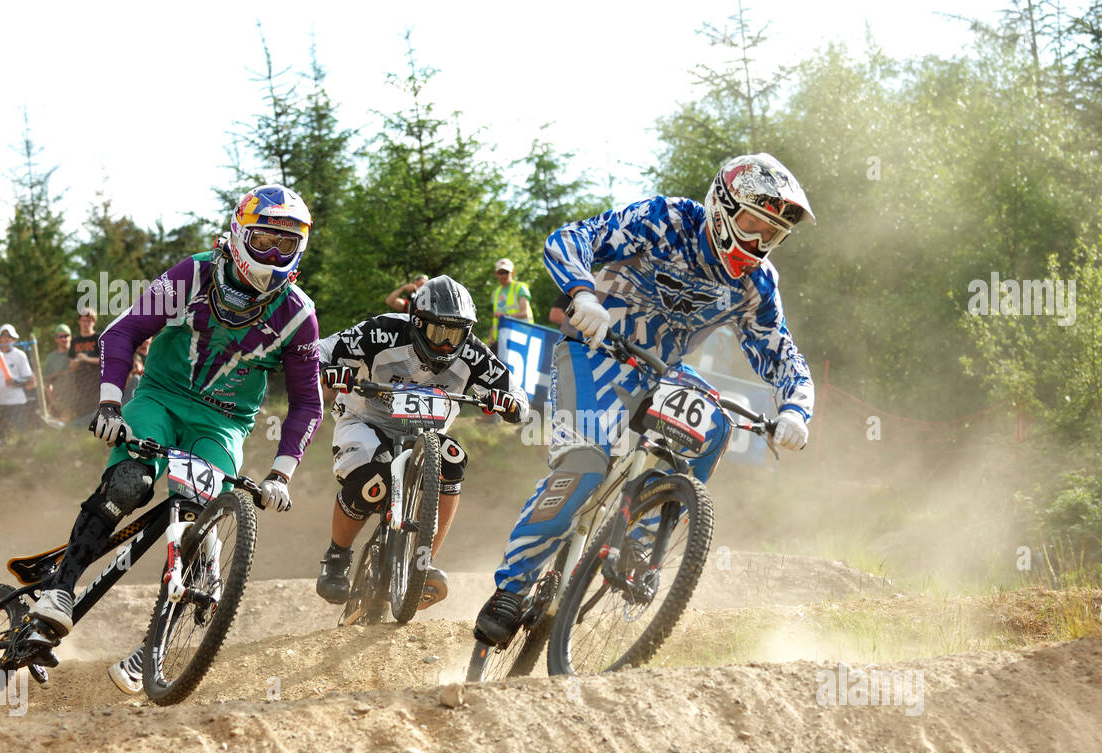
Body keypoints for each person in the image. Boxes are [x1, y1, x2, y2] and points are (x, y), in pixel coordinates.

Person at [473, 153, 817, 646]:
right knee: (586, 463)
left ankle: (638, 536)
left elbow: (781, 353)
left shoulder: (756, 283)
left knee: (715, 425)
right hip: (595, 347)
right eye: (752, 224)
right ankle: (513, 587)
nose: (760, 243)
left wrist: (795, 410)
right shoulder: (666, 220)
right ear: (722, 207)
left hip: (662, 371)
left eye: (774, 235)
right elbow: (570, 239)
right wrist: (582, 294)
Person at [24, 184, 323, 695]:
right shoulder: (194, 273)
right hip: (158, 398)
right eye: (264, 240)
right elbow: (121, 332)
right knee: (130, 483)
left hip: (222, 424)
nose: (273, 255)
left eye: (286, 246)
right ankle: (60, 589)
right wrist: (111, 404)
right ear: (237, 233)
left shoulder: (298, 314)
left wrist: (280, 475)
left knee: (199, 520)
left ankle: (158, 642)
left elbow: (308, 404)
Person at [314, 275, 529, 607]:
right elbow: (321, 350)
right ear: (417, 322)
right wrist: (329, 369)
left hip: (426, 434)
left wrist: (511, 404)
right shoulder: (382, 331)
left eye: (454, 335)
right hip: (367, 421)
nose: (446, 345)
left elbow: (516, 392)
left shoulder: (473, 354)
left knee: (453, 458)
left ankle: (421, 562)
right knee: (374, 481)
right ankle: (337, 556)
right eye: (438, 333)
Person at [0, 324, 36, 442]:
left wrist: (15, 381)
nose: (7, 339)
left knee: (21, 435)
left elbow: (28, 379)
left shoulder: (20, 355)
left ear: (14, 340)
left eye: (10, 337)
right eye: (4, 336)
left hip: (17, 401)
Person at [67, 308, 102, 424]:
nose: (86, 323)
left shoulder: (99, 338)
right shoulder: (75, 341)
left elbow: (105, 360)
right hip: (80, 384)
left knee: (97, 410)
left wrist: (87, 359)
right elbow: (71, 365)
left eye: (89, 320)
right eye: (83, 320)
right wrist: (76, 362)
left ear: (94, 322)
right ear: (79, 322)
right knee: (82, 410)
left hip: (96, 382)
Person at [43, 324, 74, 419]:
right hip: (59, 401)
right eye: (59, 336)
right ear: (55, 339)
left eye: (66, 336)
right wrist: (52, 403)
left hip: (78, 400)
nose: (63, 339)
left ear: (71, 337)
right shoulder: (51, 358)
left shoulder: (78, 354)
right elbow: (47, 383)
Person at [492, 258, 532, 324]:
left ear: (512, 272)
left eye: (506, 272)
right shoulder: (496, 293)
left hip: (519, 332)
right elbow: (495, 323)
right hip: (502, 333)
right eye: (501, 272)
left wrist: (505, 316)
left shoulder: (519, 287)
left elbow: (525, 313)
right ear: (496, 274)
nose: (503, 275)